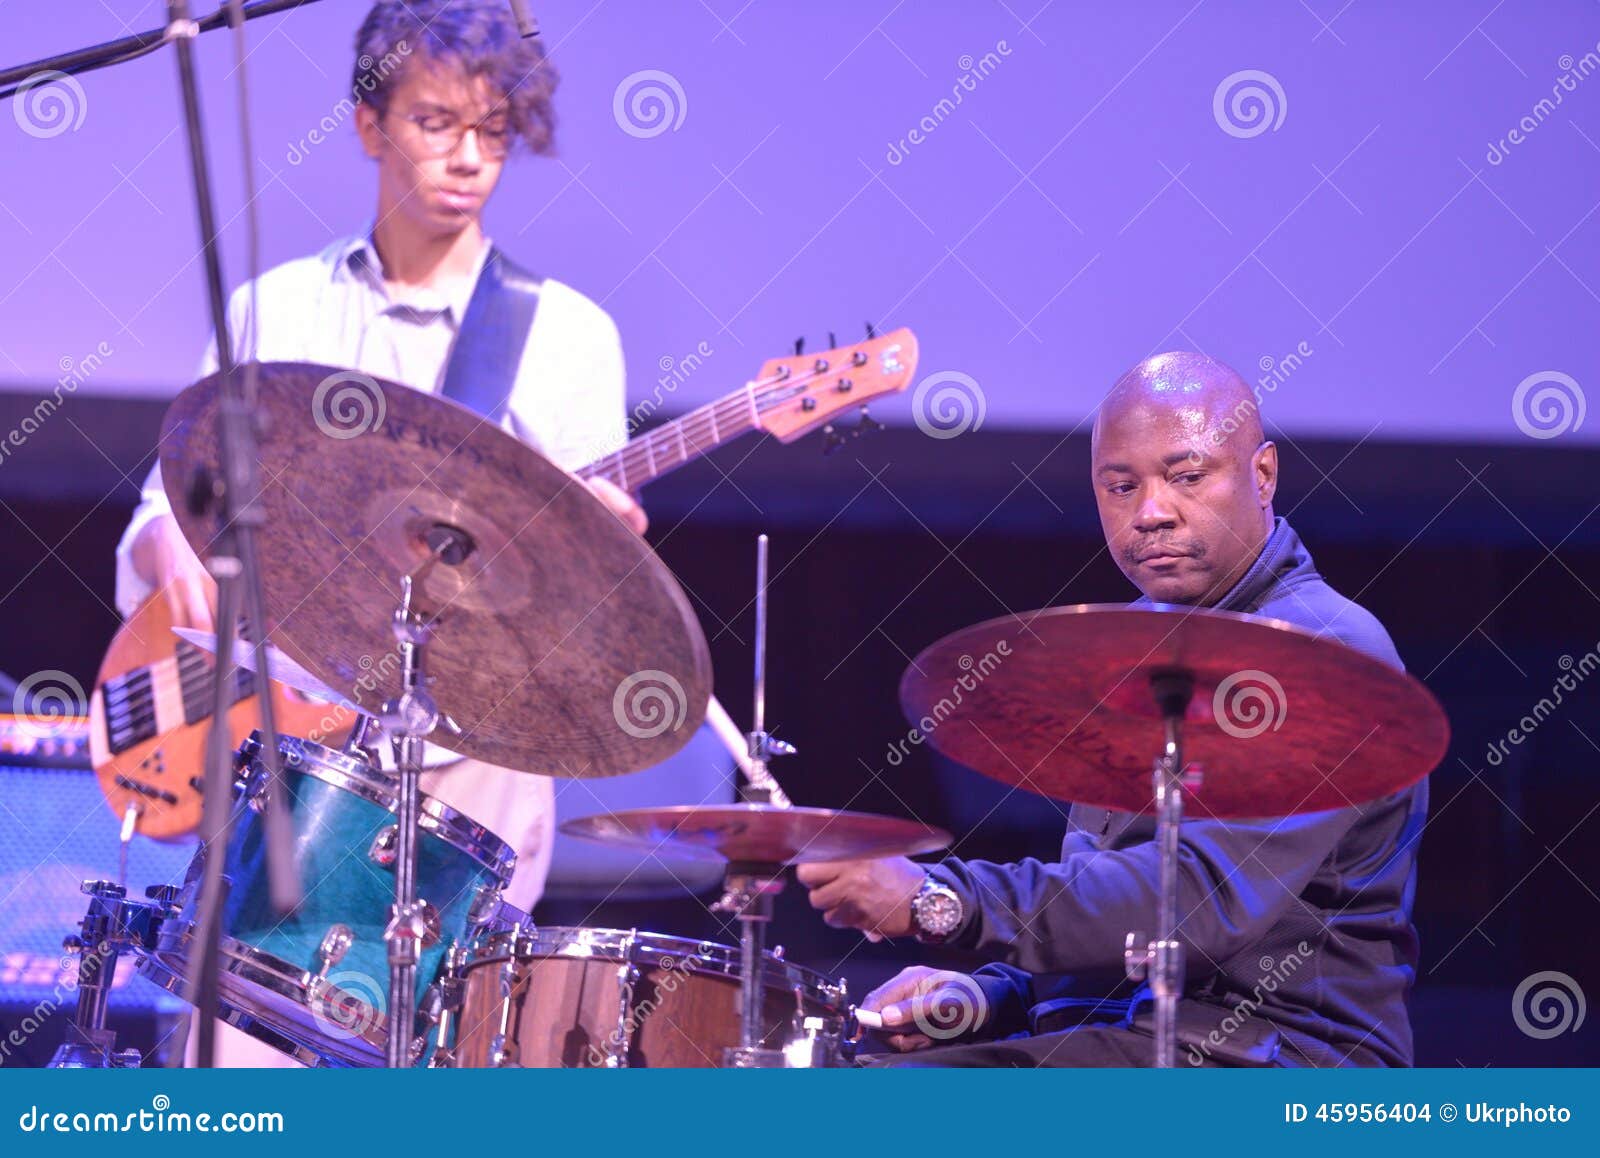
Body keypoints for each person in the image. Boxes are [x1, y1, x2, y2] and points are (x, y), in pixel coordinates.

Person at [116, 1, 645, 1065]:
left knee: (434, 1071)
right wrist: (171, 543)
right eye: (437, 124)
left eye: (494, 130)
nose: (470, 158)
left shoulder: (566, 336)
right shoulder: (276, 310)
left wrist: (597, 558)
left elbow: (579, 621)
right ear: (368, 124)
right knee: (237, 1089)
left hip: (471, 765)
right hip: (286, 768)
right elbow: (163, 517)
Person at [799, 351, 1429, 1067]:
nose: (1151, 513)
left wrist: (940, 900)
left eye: (1187, 477)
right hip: (1131, 1041)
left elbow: (1192, 902)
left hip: (1283, 1061)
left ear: (1262, 476)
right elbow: (1116, 932)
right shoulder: (1133, 650)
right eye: (1121, 487)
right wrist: (992, 996)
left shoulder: (1326, 653)